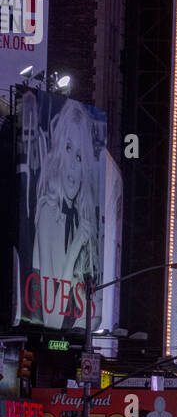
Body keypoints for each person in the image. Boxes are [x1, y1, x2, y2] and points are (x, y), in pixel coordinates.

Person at [31, 99, 101, 331]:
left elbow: (97, 314)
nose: (72, 165)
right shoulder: (48, 213)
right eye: (68, 149)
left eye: (80, 157)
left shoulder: (82, 220)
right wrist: (74, 251)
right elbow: (53, 321)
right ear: (59, 154)